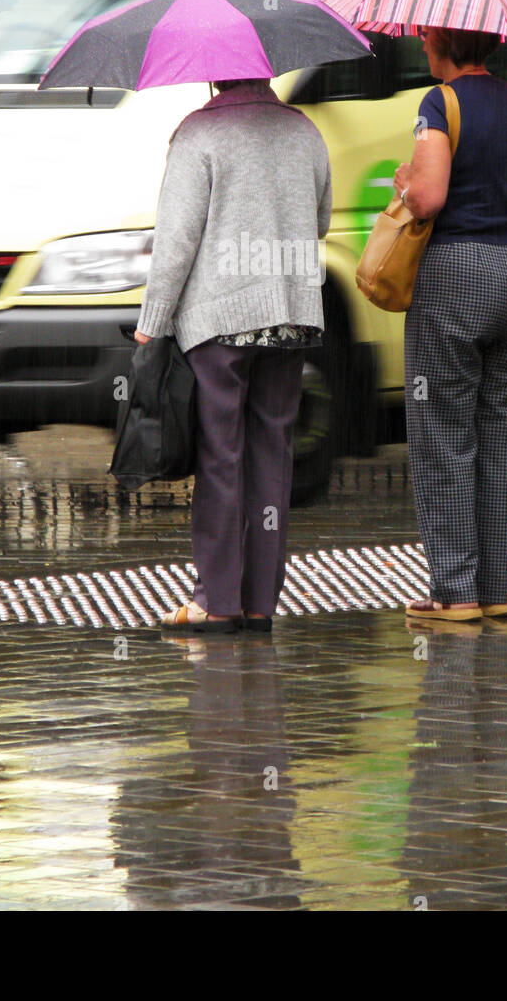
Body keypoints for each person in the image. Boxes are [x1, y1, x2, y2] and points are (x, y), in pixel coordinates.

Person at [134, 78, 331, 633]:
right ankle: (258, 602)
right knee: (273, 452)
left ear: (214, 75)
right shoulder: (305, 131)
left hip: (219, 321)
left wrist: (151, 325)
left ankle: (216, 600)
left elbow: (175, 243)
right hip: (290, 316)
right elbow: (319, 221)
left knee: (222, 456)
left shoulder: (197, 134)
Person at [394, 27, 507, 621]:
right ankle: (495, 589)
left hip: (457, 274)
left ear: (444, 44)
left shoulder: (440, 103)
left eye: (428, 35)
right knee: (501, 434)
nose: (422, 43)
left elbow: (429, 197)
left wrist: (405, 184)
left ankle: (454, 592)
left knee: (443, 433)